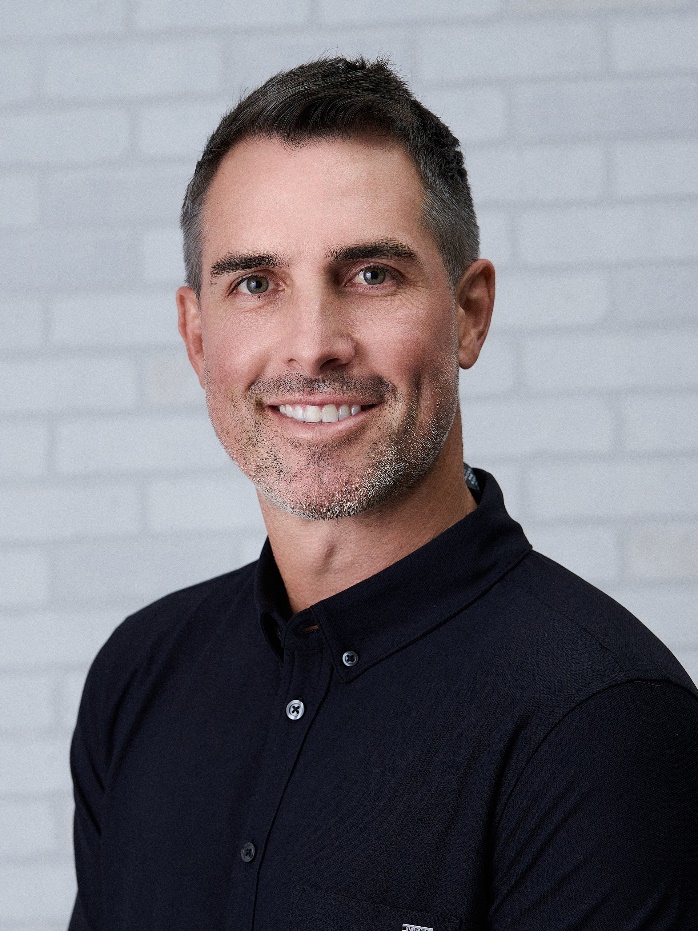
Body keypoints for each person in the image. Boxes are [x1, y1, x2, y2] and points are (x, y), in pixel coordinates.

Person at [68, 57, 698, 931]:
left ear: (470, 312)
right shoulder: (139, 675)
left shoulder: (601, 720)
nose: (314, 344)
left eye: (370, 274)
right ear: (196, 333)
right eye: (255, 283)